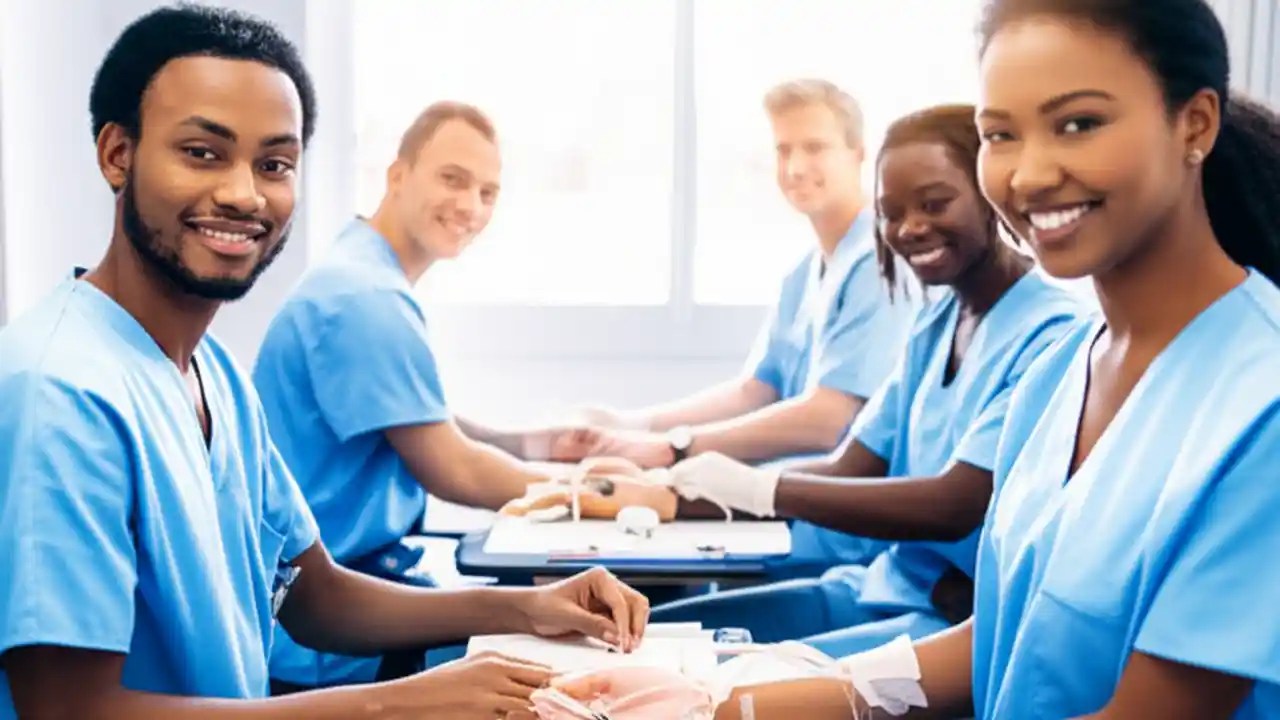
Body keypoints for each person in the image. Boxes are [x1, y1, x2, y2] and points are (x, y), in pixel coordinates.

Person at [0, 7, 648, 719]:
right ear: (117, 154)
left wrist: (524, 608)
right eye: (202, 153)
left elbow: (313, 595)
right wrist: (395, 705)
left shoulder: (210, 371)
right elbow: (67, 712)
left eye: (274, 164)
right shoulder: (59, 392)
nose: (245, 193)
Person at [700, 0, 1280, 717]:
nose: (1029, 175)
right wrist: (728, 700)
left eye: (1079, 124)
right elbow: (1000, 641)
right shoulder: (1061, 372)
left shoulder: (1263, 405)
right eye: (1000, 134)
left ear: (1194, 123)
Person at [565, 103, 1085, 655]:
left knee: (669, 678)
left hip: (951, 622)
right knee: (624, 643)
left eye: (935, 204)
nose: (909, 227)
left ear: (989, 194)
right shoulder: (935, 324)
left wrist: (756, 486)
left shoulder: (1052, 332)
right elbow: (850, 467)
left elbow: (956, 504)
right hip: (881, 588)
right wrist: (678, 489)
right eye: (891, 212)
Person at [253, 100, 612, 688]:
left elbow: (416, 420)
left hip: (360, 583)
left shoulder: (360, 273)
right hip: (325, 628)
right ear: (398, 175)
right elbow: (456, 472)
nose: (470, 206)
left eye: (488, 193)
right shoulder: (366, 300)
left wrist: (532, 443)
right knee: (569, 664)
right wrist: (601, 493)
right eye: (453, 179)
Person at [575, 79, 918, 577]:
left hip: (830, 525)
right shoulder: (804, 274)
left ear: (859, 153)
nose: (796, 167)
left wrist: (672, 449)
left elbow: (829, 417)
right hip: (777, 510)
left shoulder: (879, 264)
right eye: (784, 150)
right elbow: (756, 389)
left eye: (815, 147)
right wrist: (633, 425)